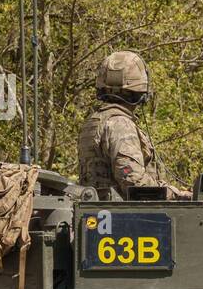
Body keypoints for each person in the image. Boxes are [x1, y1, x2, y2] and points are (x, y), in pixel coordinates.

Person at [77, 50, 185, 198]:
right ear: (140, 91)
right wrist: (175, 194)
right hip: (124, 215)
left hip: (102, 212)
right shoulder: (120, 124)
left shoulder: (92, 121)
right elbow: (134, 182)